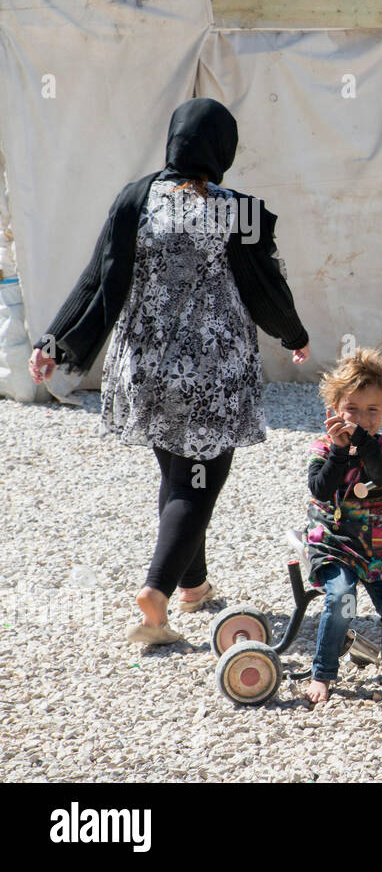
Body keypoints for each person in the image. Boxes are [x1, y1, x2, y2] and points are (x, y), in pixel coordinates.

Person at [29, 98, 310, 645]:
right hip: (214, 370)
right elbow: (264, 286)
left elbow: (97, 278)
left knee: (180, 473)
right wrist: (293, 334)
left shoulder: (135, 198)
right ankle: (156, 592)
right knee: (199, 481)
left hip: (144, 366)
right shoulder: (239, 211)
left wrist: (55, 341)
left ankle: (193, 585)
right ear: (222, 150)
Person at [303, 348, 382, 702]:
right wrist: (342, 450)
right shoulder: (323, 448)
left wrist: (362, 440)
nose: (362, 418)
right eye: (352, 410)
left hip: (377, 543)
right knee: (342, 599)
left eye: (372, 410)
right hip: (333, 540)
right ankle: (323, 672)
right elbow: (321, 488)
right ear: (334, 412)